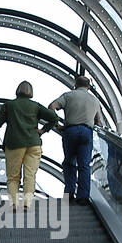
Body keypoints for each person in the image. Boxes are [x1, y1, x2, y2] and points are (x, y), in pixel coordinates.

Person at [0, 81, 59, 209]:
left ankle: (13, 204)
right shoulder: (35, 106)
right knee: (30, 175)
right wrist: (43, 130)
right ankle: (27, 203)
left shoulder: (9, 105)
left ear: (17, 91)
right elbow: (54, 118)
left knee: (13, 176)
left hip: (14, 144)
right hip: (34, 144)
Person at [49, 75, 102, 203]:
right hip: (86, 132)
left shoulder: (68, 95)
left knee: (69, 163)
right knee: (84, 165)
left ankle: (69, 195)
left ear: (75, 85)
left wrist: (57, 125)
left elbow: (52, 106)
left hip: (70, 131)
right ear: (88, 87)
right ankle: (83, 197)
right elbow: (98, 123)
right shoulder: (95, 101)